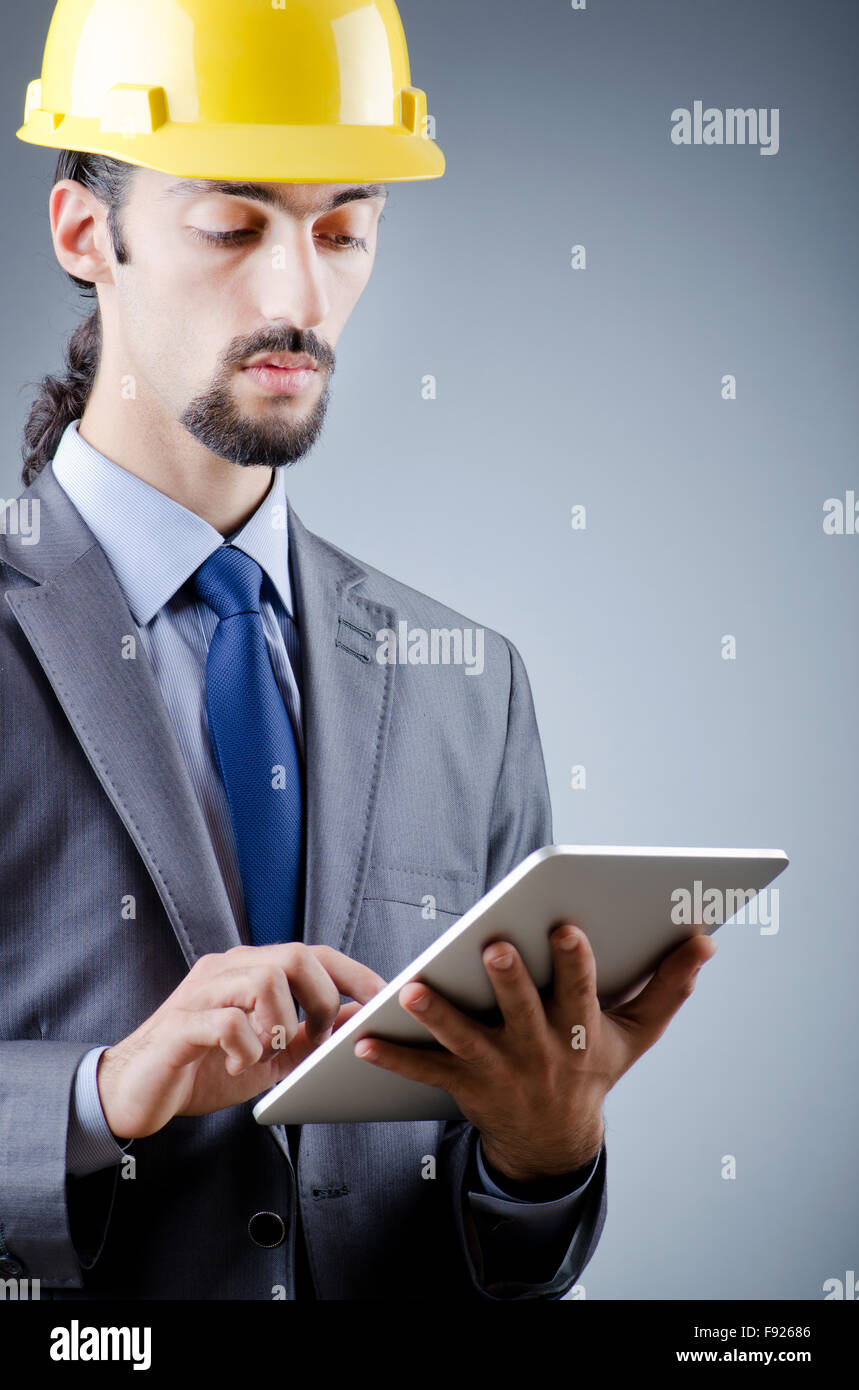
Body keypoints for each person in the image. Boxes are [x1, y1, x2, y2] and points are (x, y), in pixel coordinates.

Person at [0, 0, 715, 1301]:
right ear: (85, 232)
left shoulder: (469, 683)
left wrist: (542, 1154)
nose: (297, 294)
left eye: (342, 228)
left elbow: (489, 1245)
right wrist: (99, 1094)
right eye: (231, 224)